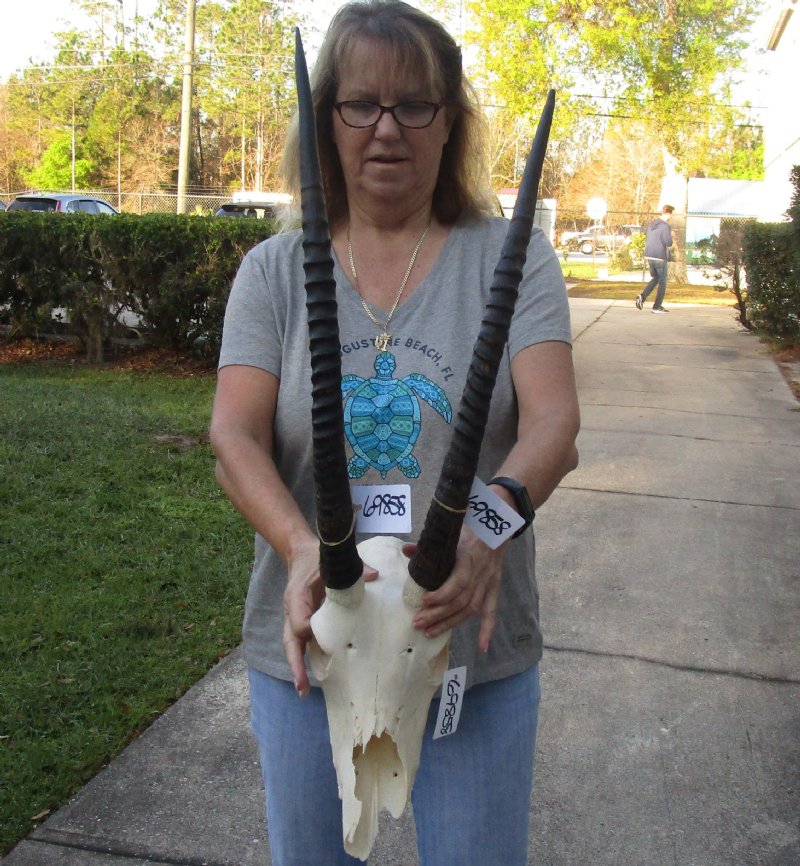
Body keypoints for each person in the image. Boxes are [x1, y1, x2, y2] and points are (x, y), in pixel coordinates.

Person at [209, 2, 580, 864]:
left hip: (466, 651)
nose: (387, 129)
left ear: (450, 123)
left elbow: (554, 422)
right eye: (360, 104)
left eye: (416, 104)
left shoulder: (511, 258)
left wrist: (485, 531)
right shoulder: (272, 271)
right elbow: (233, 436)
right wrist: (302, 546)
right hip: (315, 649)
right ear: (326, 117)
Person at [636, 204, 675, 313]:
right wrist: (671, 236)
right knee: (663, 281)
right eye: (671, 215)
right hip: (659, 256)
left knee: (656, 278)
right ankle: (657, 306)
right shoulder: (665, 226)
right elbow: (668, 243)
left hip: (649, 254)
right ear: (668, 213)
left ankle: (642, 297)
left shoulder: (652, 224)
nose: (671, 217)